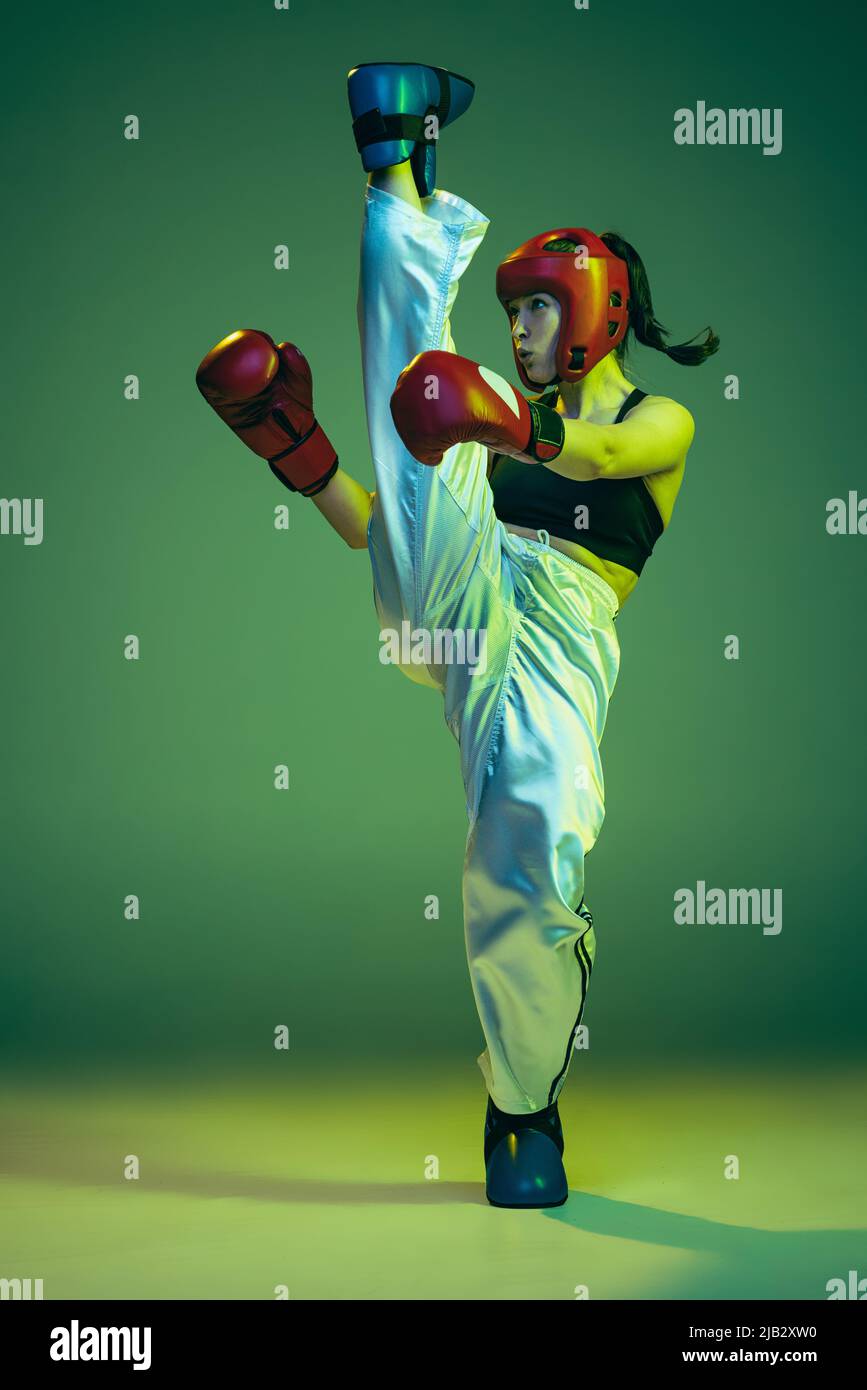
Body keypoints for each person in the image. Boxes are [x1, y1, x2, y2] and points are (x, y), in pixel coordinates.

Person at [195, 61, 719, 1210]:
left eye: (536, 306)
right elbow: (399, 532)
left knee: (533, 837)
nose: (522, 325)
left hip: (558, 635)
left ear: (595, 310)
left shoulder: (652, 417)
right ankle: (395, 161)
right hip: (461, 604)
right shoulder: (485, 423)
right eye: (516, 311)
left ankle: (522, 1105)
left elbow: (601, 458)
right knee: (418, 420)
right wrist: (306, 463)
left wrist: (501, 418)